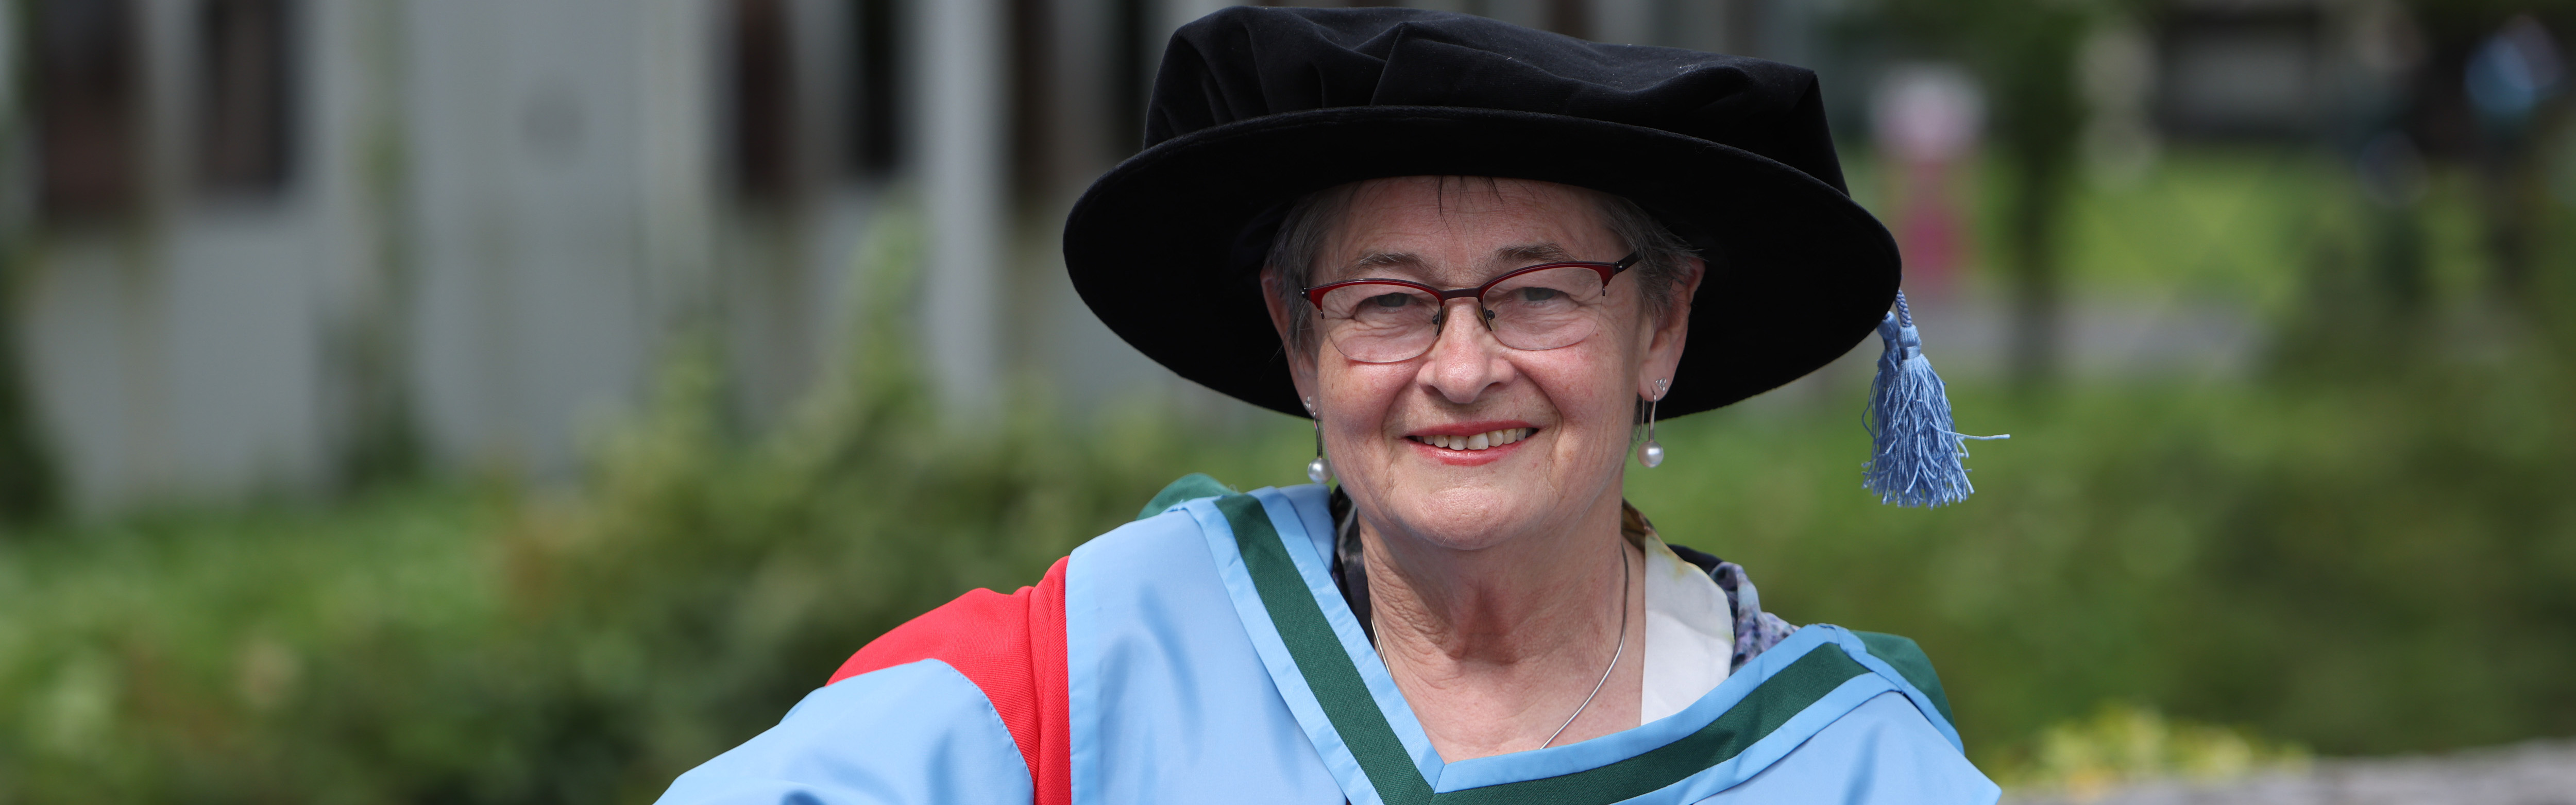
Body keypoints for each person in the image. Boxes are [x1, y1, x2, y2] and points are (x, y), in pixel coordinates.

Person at [655, 7, 1998, 804]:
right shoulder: (1096, 661)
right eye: (1387, 300)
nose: (1461, 367)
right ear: (1300, 344)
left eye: (1538, 293)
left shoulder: (1849, 760)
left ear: (1664, 325)